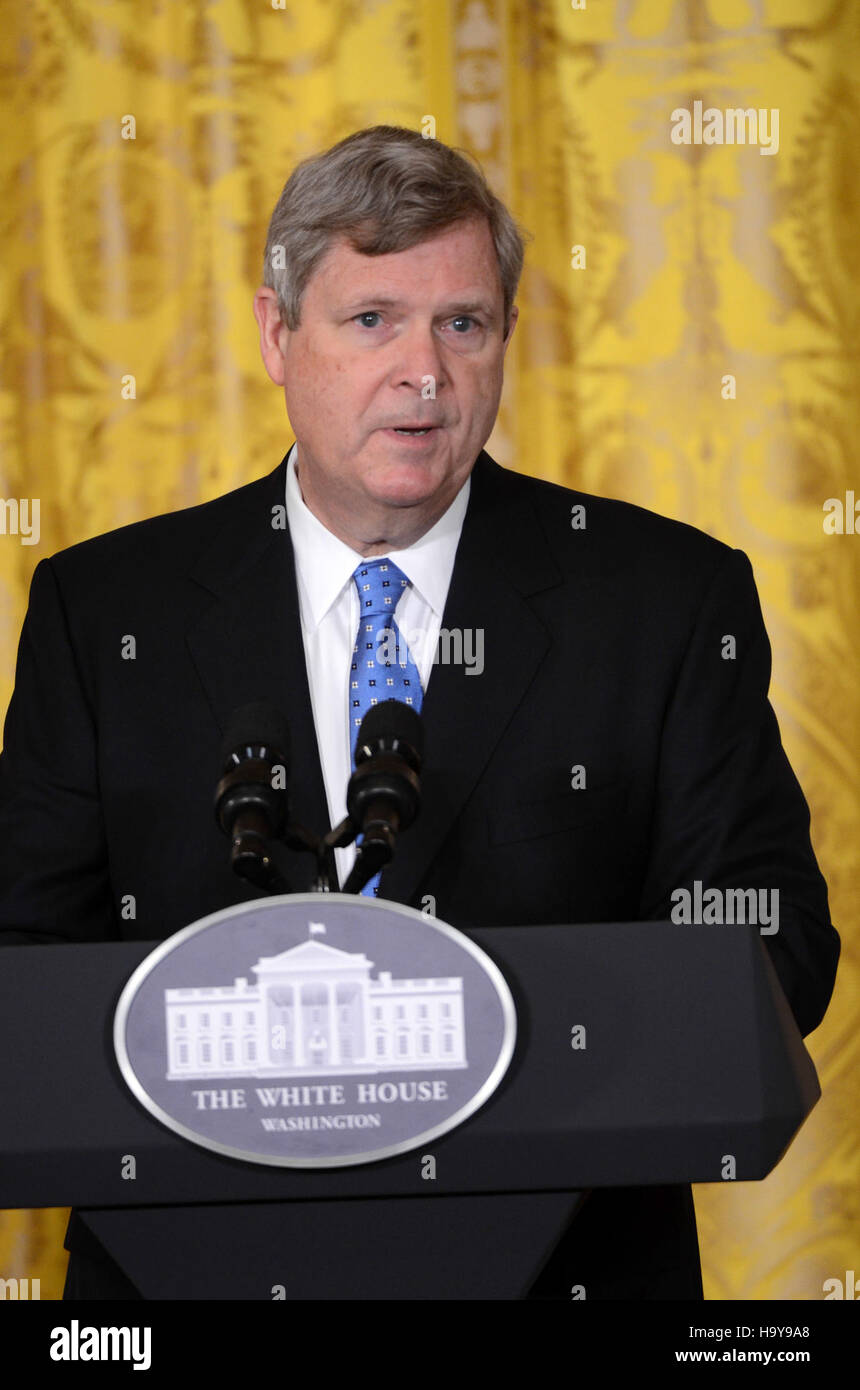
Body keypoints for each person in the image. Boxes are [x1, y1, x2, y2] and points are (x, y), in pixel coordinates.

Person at [0, 126, 839, 1300]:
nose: (425, 373)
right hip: (183, 1276)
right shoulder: (104, 610)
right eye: (371, 320)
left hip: (563, 1274)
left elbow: (770, 947)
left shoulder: (657, 598)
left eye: (463, 323)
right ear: (275, 334)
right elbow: (25, 964)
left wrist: (487, 1035)